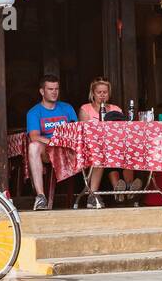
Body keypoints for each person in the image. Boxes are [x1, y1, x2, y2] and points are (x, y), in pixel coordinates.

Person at [26, 74, 78, 210]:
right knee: (33, 147)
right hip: (48, 151)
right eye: (50, 89)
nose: (54, 92)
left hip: (68, 149)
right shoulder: (34, 112)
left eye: (56, 89)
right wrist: (54, 142)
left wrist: (64, 142)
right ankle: (41, 197)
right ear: (42, 91)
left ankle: (91, 195)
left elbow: (76, 130)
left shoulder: (67, 108)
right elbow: (34, 136)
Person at [77, 78, 124, 209]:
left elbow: (123, 130)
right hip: (92, 147)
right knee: (100, 153)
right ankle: (94, 195)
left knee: (128, 151)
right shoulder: (85, 109)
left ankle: (127, 189)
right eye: (99, 92)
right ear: (93, 93)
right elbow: (84, 132)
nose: (102, 95)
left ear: (109, 93)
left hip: (113, 146)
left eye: (105, 92)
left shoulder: (116, 109)